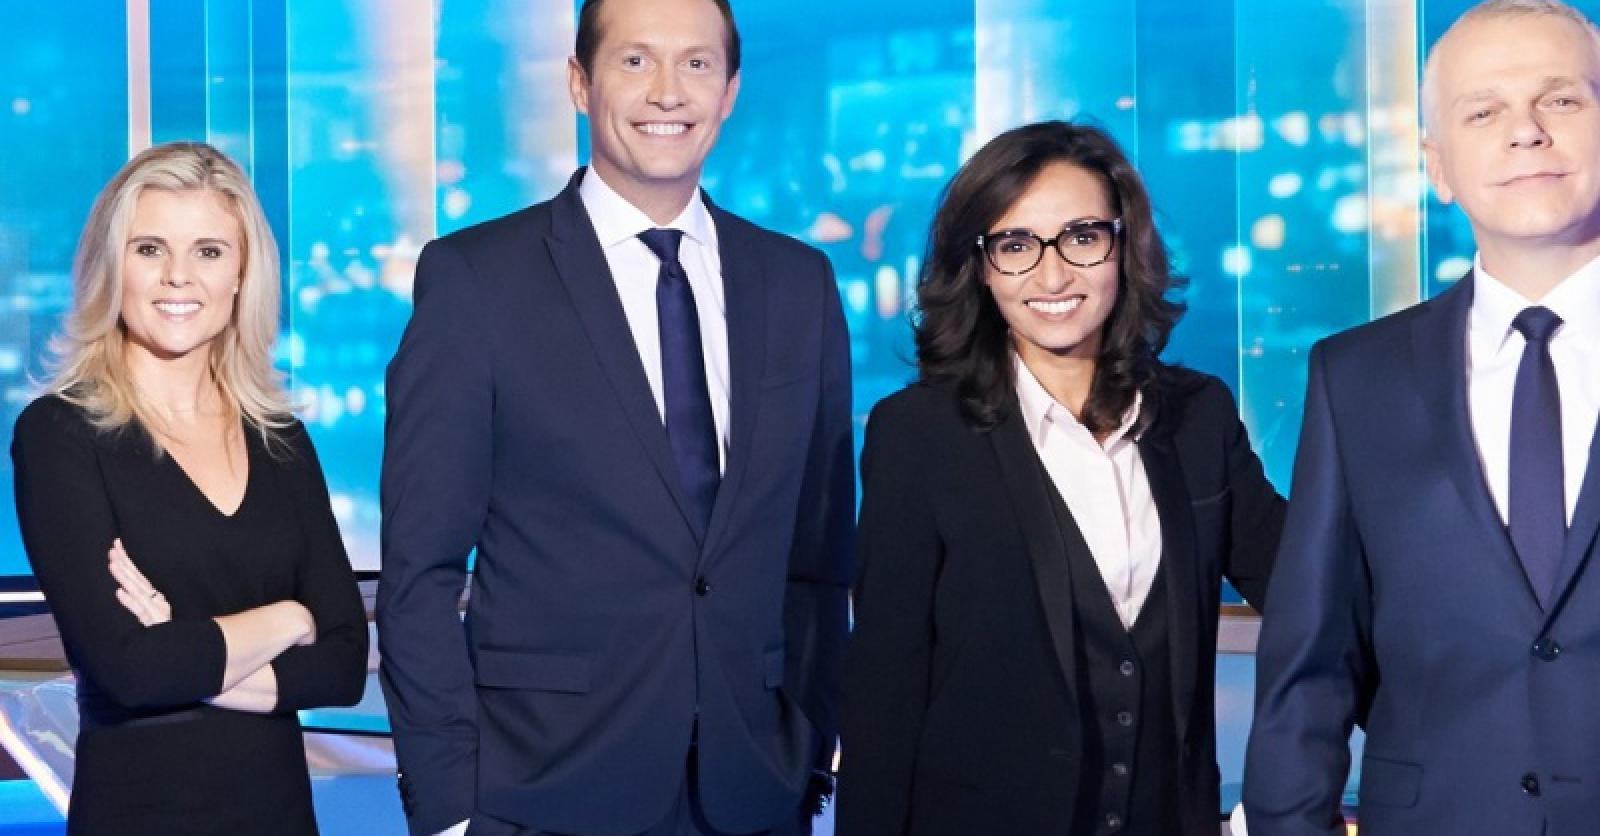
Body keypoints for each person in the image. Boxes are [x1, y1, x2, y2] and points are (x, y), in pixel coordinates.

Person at [375, 0, 854, 833]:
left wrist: (808, 749)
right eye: (636, 61)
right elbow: (420, 572)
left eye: (696, 63)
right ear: (579, 83)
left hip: (754, 791)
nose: (668, 91)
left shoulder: (797, 282)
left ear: (730, 90)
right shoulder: (477, 280)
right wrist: (450, 807)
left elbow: (817, 558)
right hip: (543, 790)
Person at [835, 120, 1285, 836]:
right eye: (1016, 245)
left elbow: (1303, 586)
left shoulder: (1197, 417)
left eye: (1081, 237)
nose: (1052, 276)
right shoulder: (917, 435)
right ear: (980, 267)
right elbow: (885, 685)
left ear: (1124, 248)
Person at [1242, 2, 1600, 834]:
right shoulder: (1355, 378)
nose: (1526, 132)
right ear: (1438, 167)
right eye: (1483, 111)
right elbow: (1309, 669)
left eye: (1560, 99)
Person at [10, 141, 369, 835]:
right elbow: (131, 672)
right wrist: (288, 619)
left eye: (208, 251)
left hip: (278, 817)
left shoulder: (282, 440)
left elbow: (344, 664)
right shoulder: (59, 434)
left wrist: (187, 652)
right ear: (112, 267)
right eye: (150, 249)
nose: (178, 276)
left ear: (241, 274)